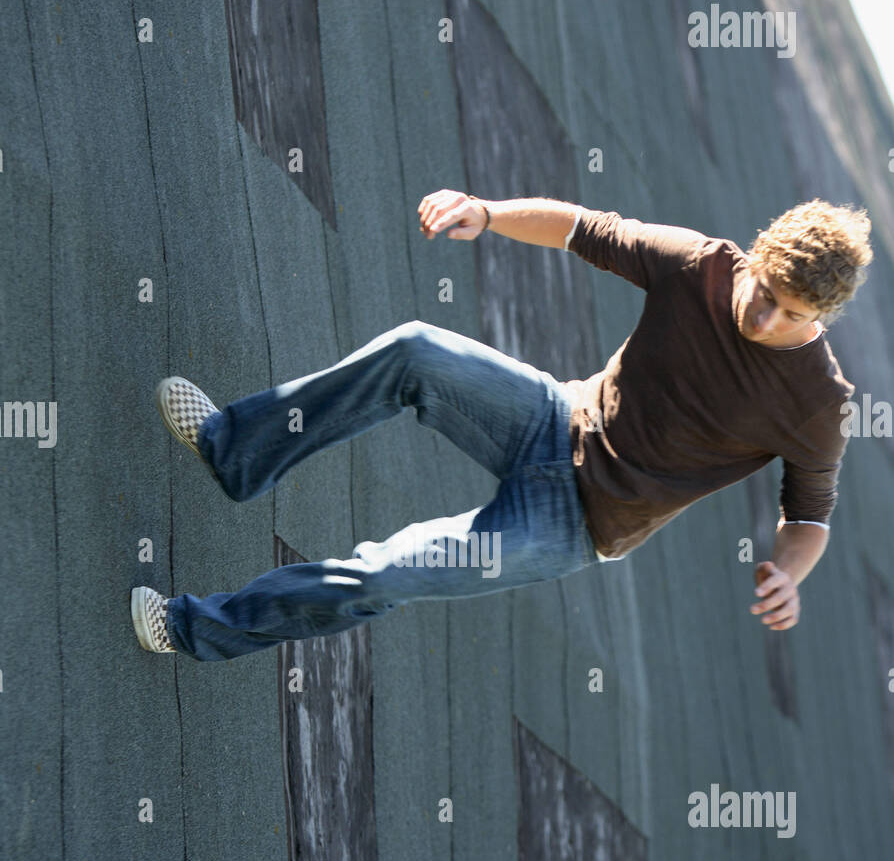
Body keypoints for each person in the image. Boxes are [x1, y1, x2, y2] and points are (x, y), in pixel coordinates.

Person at [131, 191, 872, 660]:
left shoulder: (815, 402)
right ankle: (236, 450)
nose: (762, 316)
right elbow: (587, 229)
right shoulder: (700, 266)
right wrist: (485, 212)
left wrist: (789, 573)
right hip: (551, 417)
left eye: (790, 315)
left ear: (821, 317)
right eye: (766, 292)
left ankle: (193, 629)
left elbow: (810, 512)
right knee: (415, 351)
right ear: (761, 254)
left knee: (389, 571)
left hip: (578, 524)